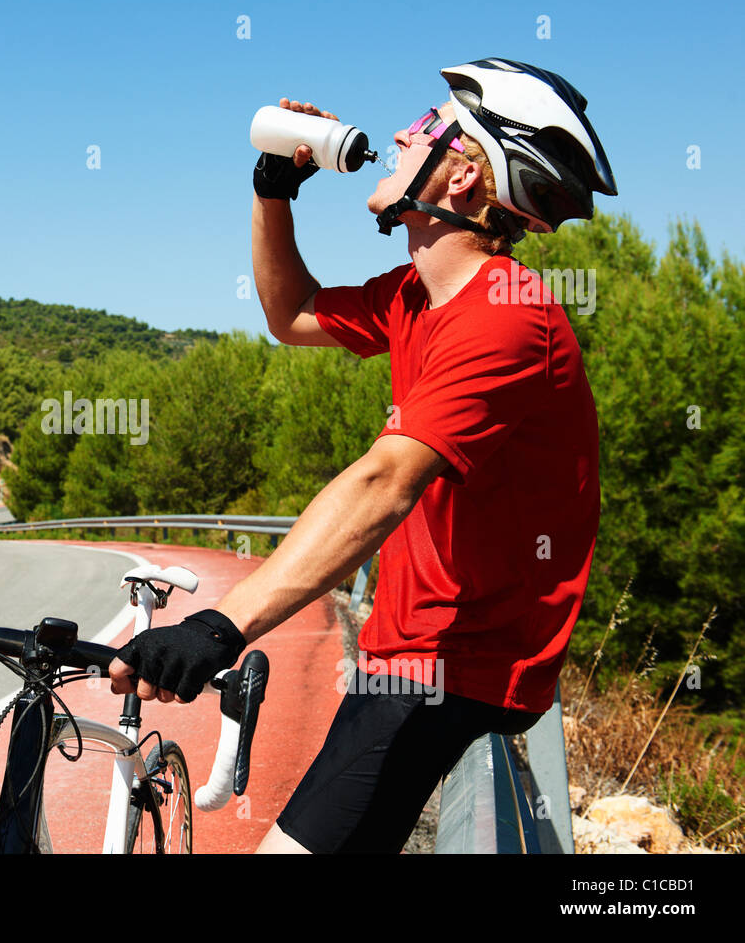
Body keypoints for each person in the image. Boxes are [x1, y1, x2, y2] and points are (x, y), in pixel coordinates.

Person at [108, 58, 617, 853]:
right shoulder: (415, 295)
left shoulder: (510, 319)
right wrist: (272, 190)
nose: (403, 135)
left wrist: (221, 625)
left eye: (427, 127)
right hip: (407, 653)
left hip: (455, 669)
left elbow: (384, 482)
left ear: (460, 177)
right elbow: (292, 312)